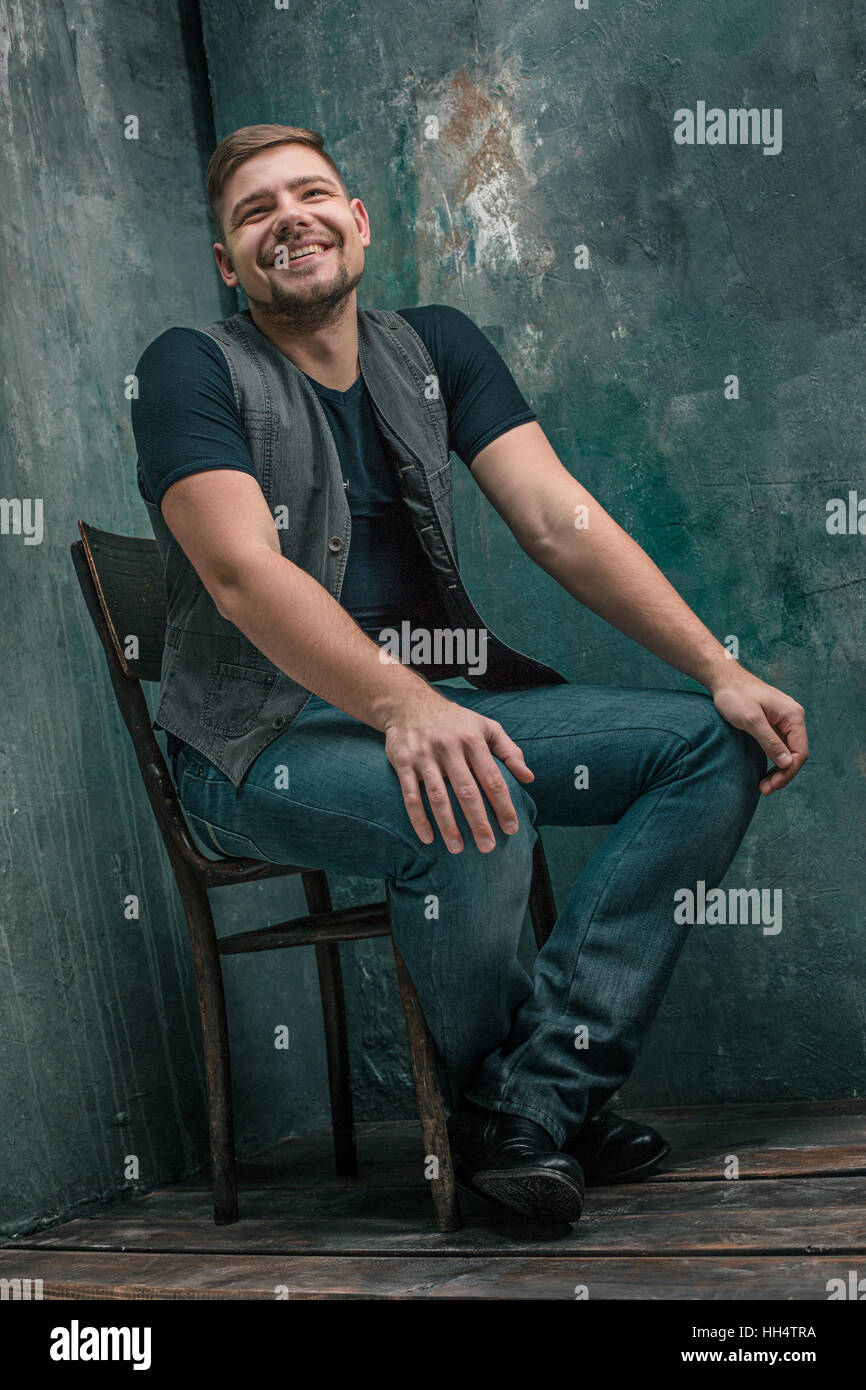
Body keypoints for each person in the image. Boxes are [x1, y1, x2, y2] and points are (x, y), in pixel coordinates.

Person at [131, 124, 808, 1224]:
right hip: (258, 748)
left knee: (711, 741)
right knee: (469, 795)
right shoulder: (189, 366)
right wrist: (404, 705)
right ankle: (535, 1119)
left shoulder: (435, 345)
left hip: (441, 709)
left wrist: (713, 665)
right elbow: (242, 571)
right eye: (255, 212)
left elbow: (556, 519)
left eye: (311, 195)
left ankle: (529, 1099)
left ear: (358, 223)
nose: (287, 219)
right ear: (227, 261)